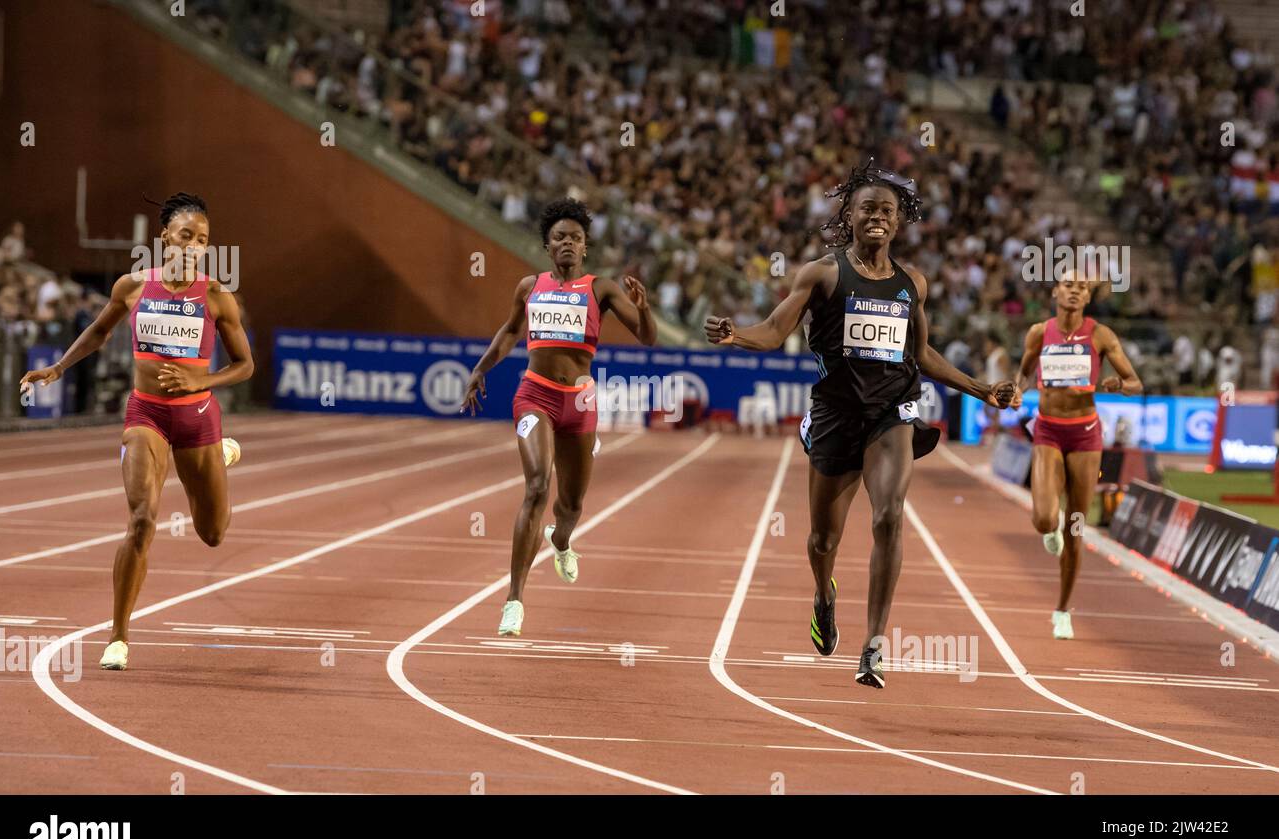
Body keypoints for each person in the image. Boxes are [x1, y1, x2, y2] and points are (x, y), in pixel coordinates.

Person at [705, 159, 1014, 688]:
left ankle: (873, 645)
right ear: (848, 216)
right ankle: (825, 594)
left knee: (888, 516)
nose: (877, 217)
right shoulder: (821, 274)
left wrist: (981, 388)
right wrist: (737, 334)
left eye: (886, 211)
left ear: (898, 222)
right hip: (834, 415)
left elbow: (923, 354)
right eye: (867, 208)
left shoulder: (912, 283)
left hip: (892, 413)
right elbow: (777, 329)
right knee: (823, 540)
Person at [19, 193, 253, 670]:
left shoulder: (215, 296)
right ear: (165, 236)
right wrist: (58, 367)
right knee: (143, 519)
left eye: (203, 240)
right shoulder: (132, 286)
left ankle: (221, 453)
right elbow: (101, 332)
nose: (194, 245)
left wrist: (199, 379)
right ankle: (119, 636)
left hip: (197, 416)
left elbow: (245, 365)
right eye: (186, 235)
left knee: (212, 533)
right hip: (145, 415)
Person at [460, 198, 657, 637]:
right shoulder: (529, 286)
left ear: (585, 247)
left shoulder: (600, 288)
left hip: (580, 403)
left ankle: (562, 540)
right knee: (536, 487)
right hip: (535, 395)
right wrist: (479, 370)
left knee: (571, 506)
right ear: (548, 246)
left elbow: (647, 338)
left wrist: (643, 308)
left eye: (576, 237)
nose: (568, 243)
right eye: (560, 237)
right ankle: (514, 600)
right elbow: (510, 332)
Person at [1010, 272, 1142, 639]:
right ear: (1056, 292)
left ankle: (1063, 610)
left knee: (1076, 528)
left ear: (1087, 299)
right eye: (1069, 285)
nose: (1074, 291)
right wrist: (1017, 391)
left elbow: (1135, 381)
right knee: (1042, 518)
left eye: (1082, 288)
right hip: (1049, 429)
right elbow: (1022, 373)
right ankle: (1048, 528)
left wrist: (1120, 384)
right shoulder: (1039, 332)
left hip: (1085, 435)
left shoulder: (1100, 334)